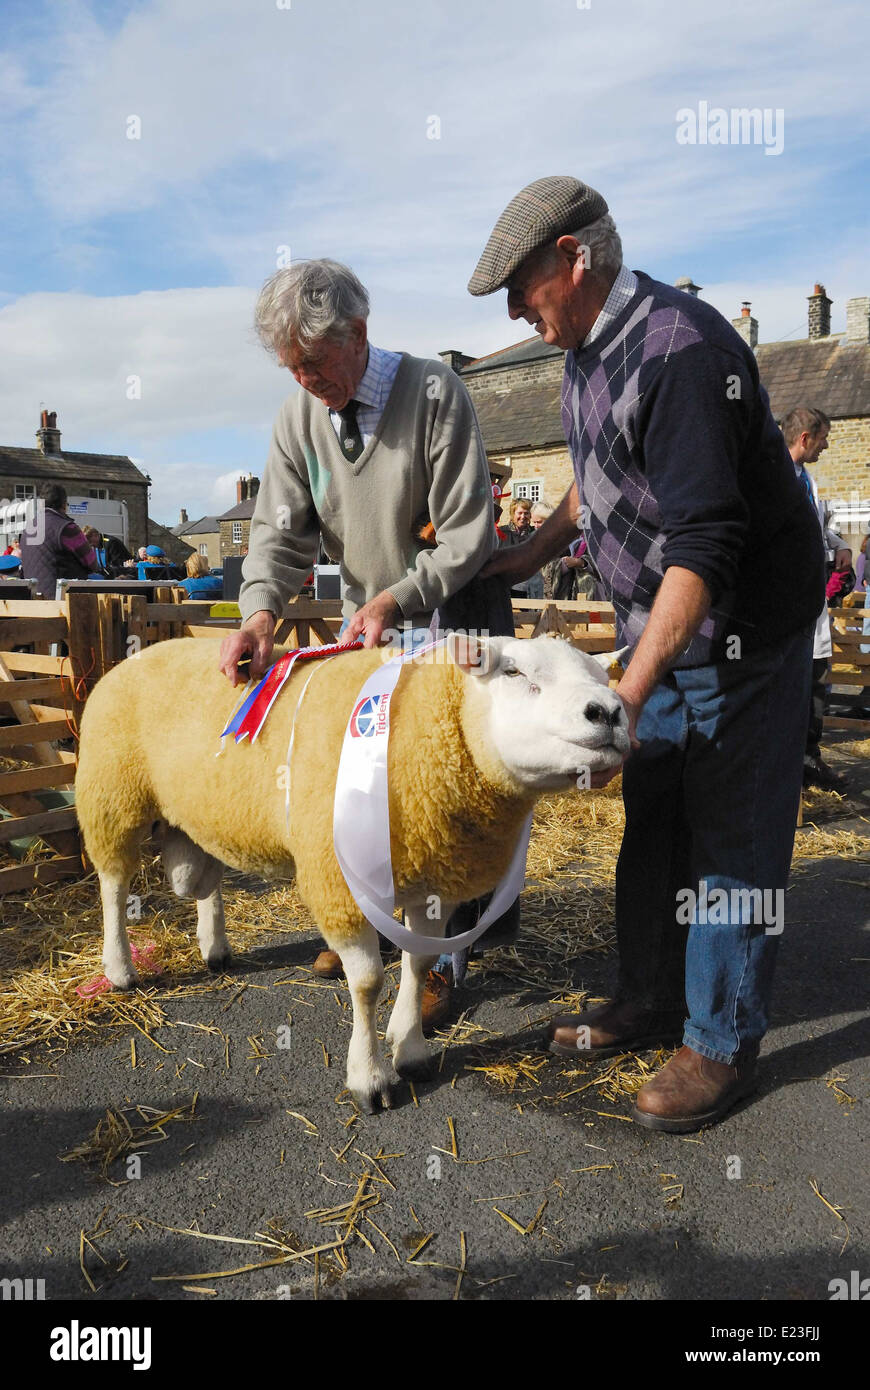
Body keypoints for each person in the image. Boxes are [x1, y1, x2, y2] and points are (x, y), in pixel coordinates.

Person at [471, 175, 825, 1132]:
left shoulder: (680, 351)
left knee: (733, 837)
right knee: (653, 815)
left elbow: (706, 542)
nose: (514, 310)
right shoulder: (583, 351)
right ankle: (649, 998)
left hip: (743, 623)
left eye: (521, 285)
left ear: (575, 259)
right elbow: (596, 481)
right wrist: (526, 551)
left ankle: (720, 1042)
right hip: (662, 629)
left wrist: (623, 690)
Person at [217, 258, 500, 1028]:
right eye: (291, 367)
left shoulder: (437, 395)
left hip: (448, 616)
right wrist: (259, 611)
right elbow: (277, 536)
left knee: (439, 797)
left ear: (359, 333)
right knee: (366, 787)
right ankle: (375, 923)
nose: (305, 379)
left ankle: (439, 958)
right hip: (366, 631)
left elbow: (469, 537)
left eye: (315, 361)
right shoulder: (296, 419)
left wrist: (397, 596)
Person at [780, 406, 851, 793]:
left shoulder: (806, 480)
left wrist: (839, 545)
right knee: (787, 689)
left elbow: (821, 525)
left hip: (812, 602)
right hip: (787, 605)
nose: (827, 446)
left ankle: (810, 762)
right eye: (823, 439)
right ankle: (788, 770)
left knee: (817, 681)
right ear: (805, 438)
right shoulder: (773, 477)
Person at [16, 483, 103, 597]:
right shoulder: (67, 528)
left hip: (33, 599)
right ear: (63, 504)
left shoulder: (28, 530)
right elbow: (93, 564)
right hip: (62, 599)